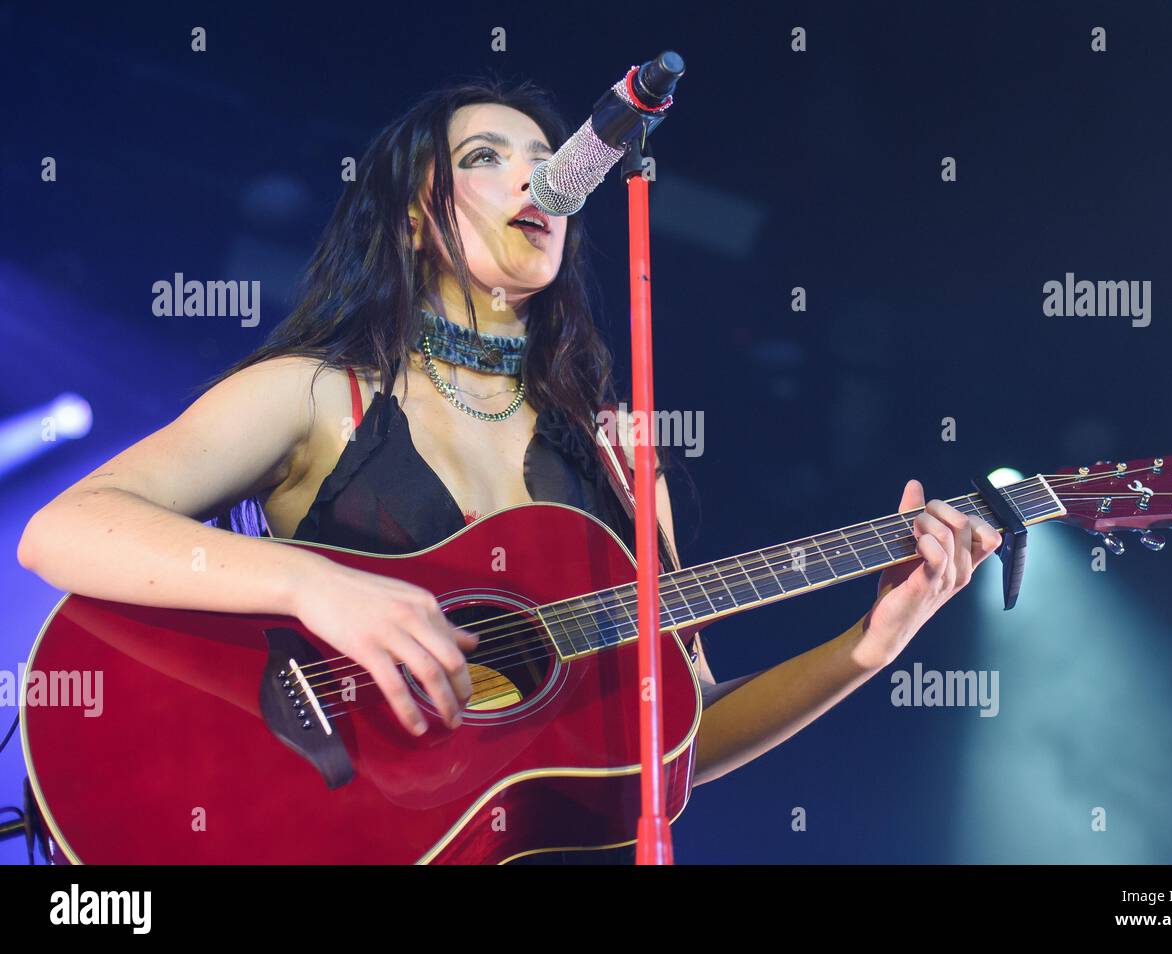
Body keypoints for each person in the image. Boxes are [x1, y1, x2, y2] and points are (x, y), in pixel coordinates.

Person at [16, 76, 1002, 864]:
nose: (539, 180)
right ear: (414, 214)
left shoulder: (620, 459)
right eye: (488, 158)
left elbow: (672, 748)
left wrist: (866, 648)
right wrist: (316, 585)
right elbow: (62, 527)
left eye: (550, 160)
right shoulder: (317, 393)